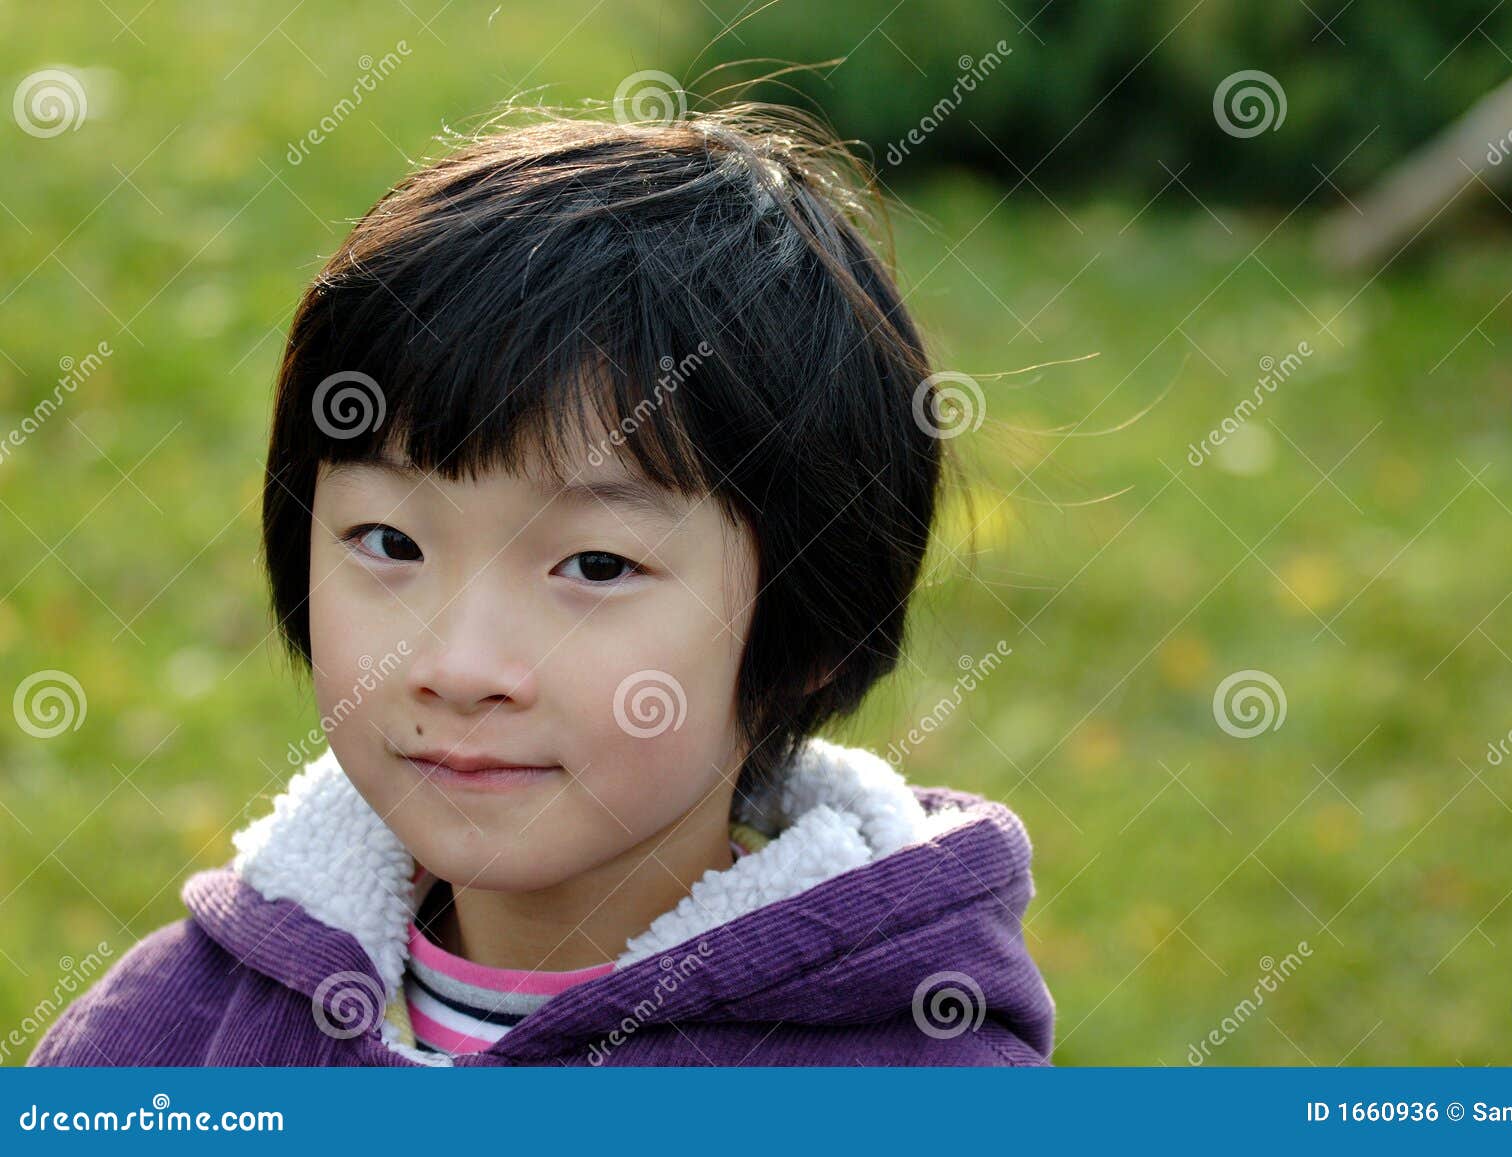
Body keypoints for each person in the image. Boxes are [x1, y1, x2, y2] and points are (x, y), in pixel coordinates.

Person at [29, 104, 1054, 1066]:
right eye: (388, 540)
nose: (457, 664)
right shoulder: (165, 1038)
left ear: (813, 629)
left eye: (596, 565)